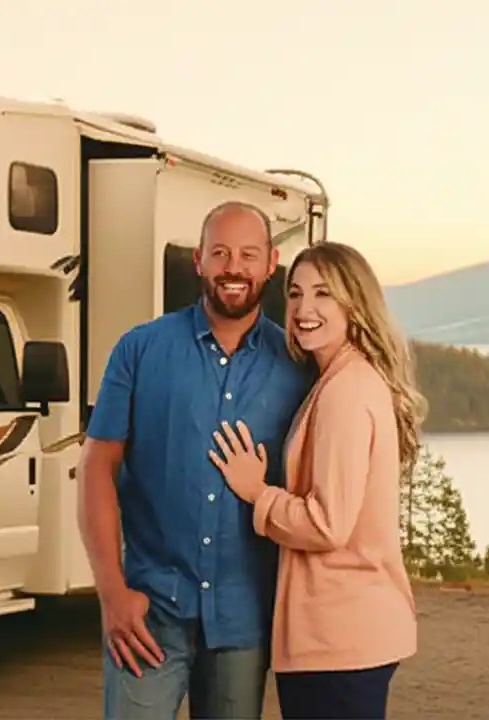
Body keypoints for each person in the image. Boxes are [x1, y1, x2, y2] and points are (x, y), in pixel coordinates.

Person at [77, 200, 314, 719]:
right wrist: (112, 593)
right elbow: (96, 468)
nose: (234, 267)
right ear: (198, 261)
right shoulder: (139, 350)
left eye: (249, 255)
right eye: (221, 253)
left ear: (271, 263)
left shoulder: (298, 367)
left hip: (244, 622)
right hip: (149, 614)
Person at [208, 241, 424, 719]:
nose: (305, 309)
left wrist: (257, 493)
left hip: (340, 640)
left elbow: (328, 524)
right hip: (347, 637)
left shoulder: (345, 391)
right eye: (296, 293)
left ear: (355, 304)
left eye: (324, 294)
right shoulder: (339, 379)